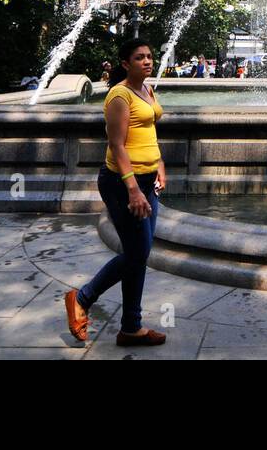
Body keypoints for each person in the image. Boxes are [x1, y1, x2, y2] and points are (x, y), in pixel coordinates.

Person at [65, 37, 167, 347]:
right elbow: (116, 145)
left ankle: (130, 328)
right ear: (126, 63)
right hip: (123, 183)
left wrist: (160, 162)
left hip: (147, 181)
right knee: (137, 253)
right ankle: (82, 298)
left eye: (150, 56)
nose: (147, 61)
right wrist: (133, 189)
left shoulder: (147, 90)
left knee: (139, 255)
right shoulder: (119, 95)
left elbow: (147, 132)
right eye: (139, 57)